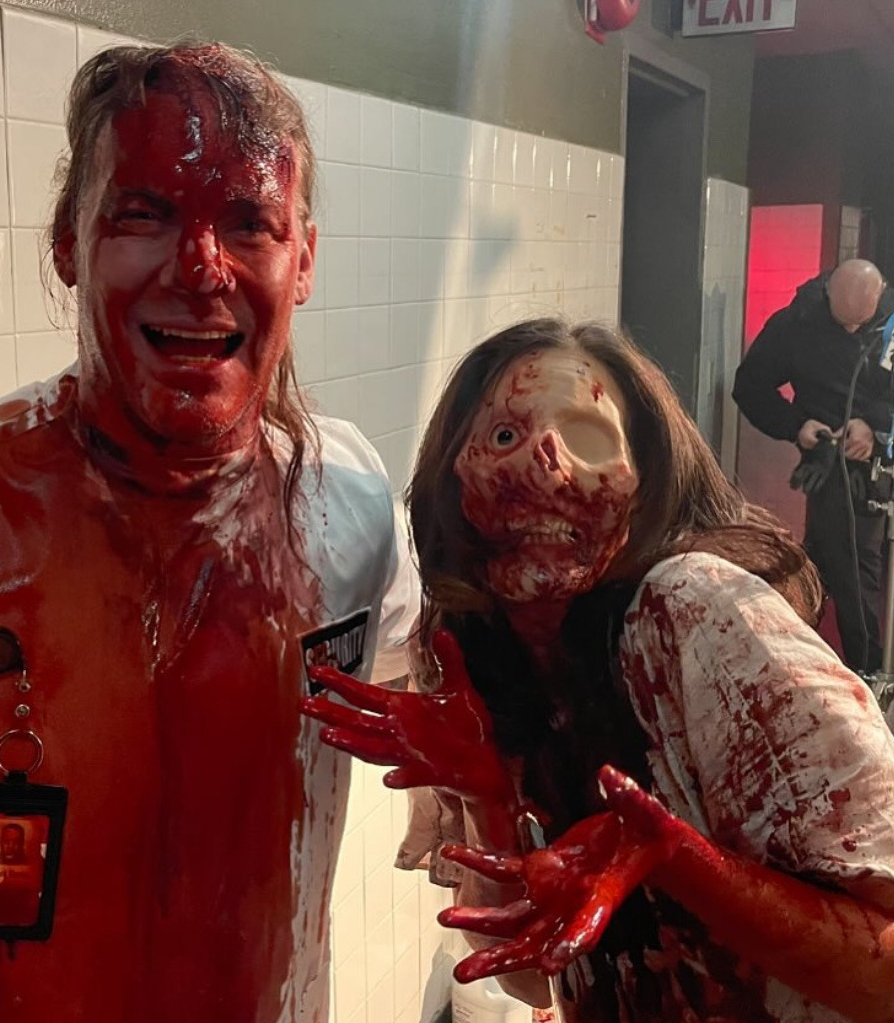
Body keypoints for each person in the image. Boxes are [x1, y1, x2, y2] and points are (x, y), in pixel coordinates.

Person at [0, 42, 416, 1023]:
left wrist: (463, 801)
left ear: (301, 260)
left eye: (248, 223)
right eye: (145, 214)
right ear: (67, 241)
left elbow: (409, 671)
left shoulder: (349, 504)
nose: (201, 267)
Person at [306, 318, 894, 1022]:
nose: (546, 466)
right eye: (505, 436)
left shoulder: (694, 611)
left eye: (588, 438)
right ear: (450, 480)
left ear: (646, 482)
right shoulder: (476, 659)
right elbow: (532, 983)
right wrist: (490, 801)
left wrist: (682, 864)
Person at [733, 259, 894, 674]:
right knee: (852, 569)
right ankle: (865, 672)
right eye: (844, 320)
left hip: (881, 453)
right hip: (831, 464)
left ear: (880, 295)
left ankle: (803, 652)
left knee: (826, 563)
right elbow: (749, 386)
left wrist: (873, 427)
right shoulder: (797, 324)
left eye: (861, 321)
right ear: (828, 292)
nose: (853, 329)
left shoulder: (890, 326)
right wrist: (796, 426)